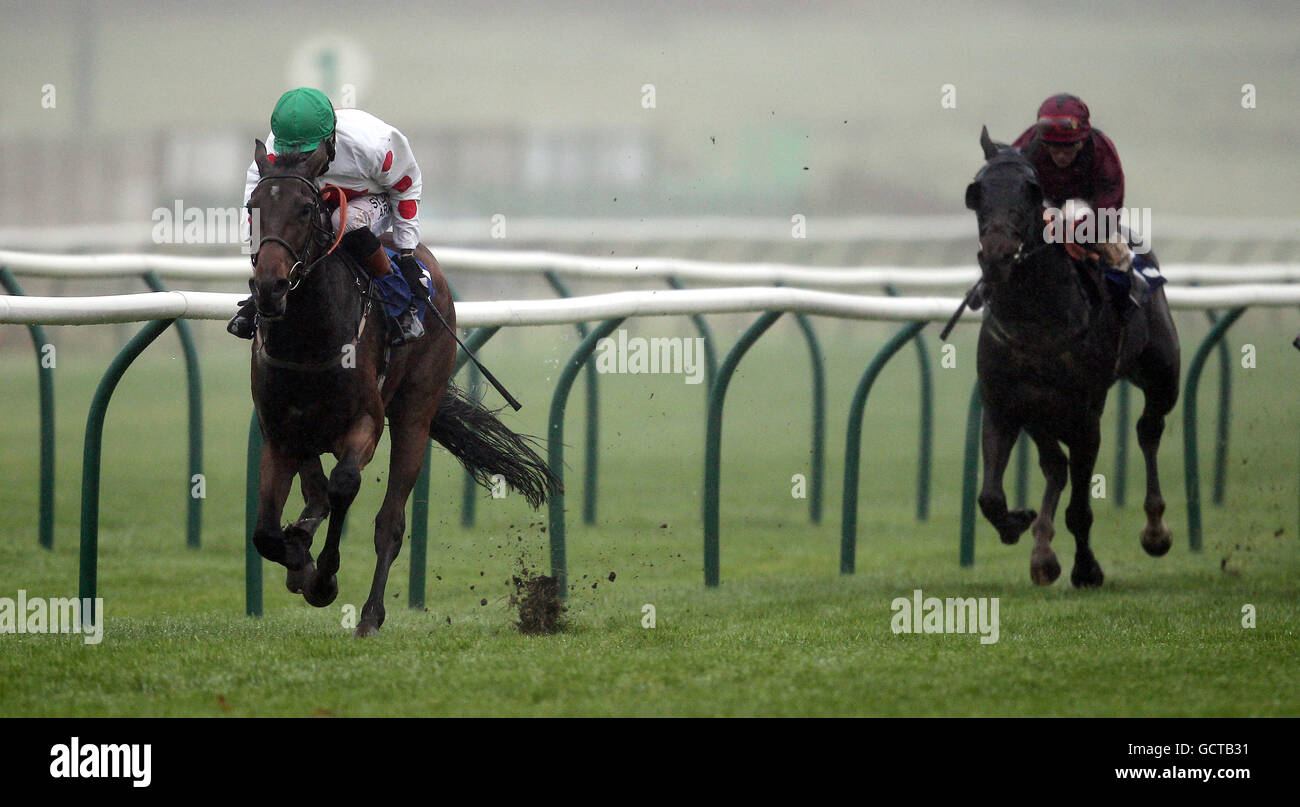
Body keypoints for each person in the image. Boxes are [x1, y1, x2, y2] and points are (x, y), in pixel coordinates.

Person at [229, 87, 427, 343]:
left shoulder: (376, 145)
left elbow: (406, 186)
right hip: (316, 198)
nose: (300, 159)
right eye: (292, 151)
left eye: (308, 152)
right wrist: (262, 264)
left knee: (342, 220)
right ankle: (264, 300)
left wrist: (407, 251)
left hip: (373, 198)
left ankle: (397, 296)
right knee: (296, 218)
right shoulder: (273, 148)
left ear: (330, 138)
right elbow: (256, 205)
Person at [1012, 93, 1148, 313]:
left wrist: (1076, 231)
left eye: (1069, 147)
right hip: (1042, 212)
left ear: (1083, 140)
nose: (1061, 156)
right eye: (1052, 147)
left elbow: (1110, 209)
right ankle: (988, 291)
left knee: (1086, 220)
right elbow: (1010, 187)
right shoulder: (1027, 146)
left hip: (1088, 215)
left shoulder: (1102, 150)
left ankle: (1129, 297)